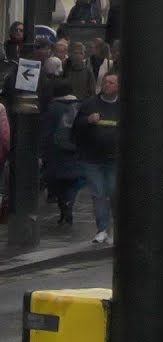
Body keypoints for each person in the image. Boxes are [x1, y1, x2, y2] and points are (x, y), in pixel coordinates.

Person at [73, 71, 119, 244]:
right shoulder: (90, 104)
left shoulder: (123, 105)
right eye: (105, 82)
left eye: (112, 83)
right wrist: (87, 121)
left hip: (114, 158)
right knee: (99, 193)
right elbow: (76, 127)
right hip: (91, 158)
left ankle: (115, 225)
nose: (107, 85)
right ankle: (102, 229)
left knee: (114, 192)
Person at [40, 78, 82, 225]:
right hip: (76, 151)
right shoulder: (80, 106)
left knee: (57, 183)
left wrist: (42, 152)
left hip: (55, 153)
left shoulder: (52, 108)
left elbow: (46, 133)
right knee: (73, 182)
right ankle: (69, 205)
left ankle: (63, 206)